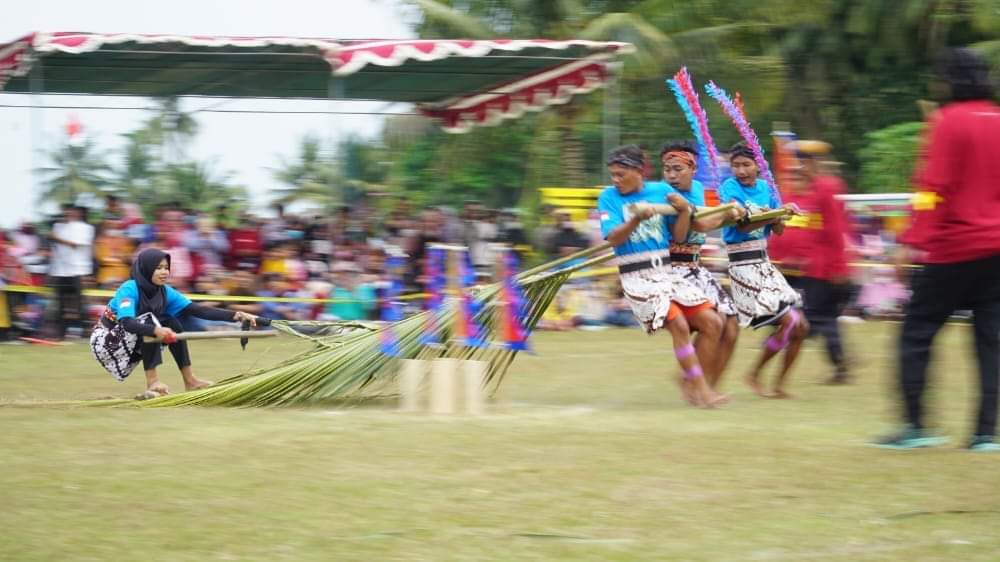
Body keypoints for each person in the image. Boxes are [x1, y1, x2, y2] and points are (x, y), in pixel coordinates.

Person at [876, 48, 1000, 451]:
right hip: (996, 249)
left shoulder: (947, 121)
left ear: (950, 79)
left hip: (953, 248)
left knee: (917, 333)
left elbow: (932, 190)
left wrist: (910, 243)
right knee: (989, 341)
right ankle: (985, 434)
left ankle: (916, 426)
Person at [598, 144, 725, 407]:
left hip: (667, 274)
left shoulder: (661, 191)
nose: (615, 180)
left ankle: (692, 384)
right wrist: (635, 219)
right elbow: (613, 238)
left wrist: (684, 211)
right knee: (678, 325)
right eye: (613, 174)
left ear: (638, 171)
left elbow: (679, 235)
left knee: (714, 323)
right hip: (637, 277)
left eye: (621, 174)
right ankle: (703, 392)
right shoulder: (608, 197)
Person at [90, 248, 260, 397]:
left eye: (166, 268)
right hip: (106, 342)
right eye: (158, 268)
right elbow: (127, 323)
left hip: (130, 340)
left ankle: (190, 381)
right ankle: (153, 383)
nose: (164, 272)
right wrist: (156, 331)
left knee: (173, 323)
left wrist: (237, 315)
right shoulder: (129, 288)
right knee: (152, 323)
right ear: (146, 268)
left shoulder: (165, 292)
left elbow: (199, 310)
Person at [718, 143, 809, 398]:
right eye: (735, 165)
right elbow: (743, 225)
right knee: (792, 321)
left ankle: (778, 385)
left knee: (801, 328)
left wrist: (783, 214)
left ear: (758, 165)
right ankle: (755, 375)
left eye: (746, 164)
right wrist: (773, 214)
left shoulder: (766, 188)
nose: (741, 170)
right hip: (743, 266)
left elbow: (778, 231)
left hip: (765, 264)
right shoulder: (728, 188)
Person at [768, 140, 854, 384]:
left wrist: (839, 266)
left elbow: (836, 229)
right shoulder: (811, 189)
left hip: (825, 267)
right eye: (799, 162)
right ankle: (841, 362)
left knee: (820, 317)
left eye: (803, 162)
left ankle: (840, 364)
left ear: (813, 162)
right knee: (823, 316)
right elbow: (811, 230)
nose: (800, 167)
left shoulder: (826, 188)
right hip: (813, 265)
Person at [661, 141, 743, 390]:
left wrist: (738, 214)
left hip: (696, 269)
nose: (672, 175)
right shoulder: (663, 195)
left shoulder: (696, 188)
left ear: (693, 169)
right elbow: (692, 230)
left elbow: (702, 219)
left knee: (731, 327)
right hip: (671, 271)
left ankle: (710, 385)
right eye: (667, 169)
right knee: (712, 323)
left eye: (678, 169)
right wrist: (728, 214)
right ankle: (696, 387)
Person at [49, 204, 95, 339]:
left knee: (79, 302)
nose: (68, 213)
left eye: (71, 211)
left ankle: (85, 331)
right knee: (61, 302)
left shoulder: (86, 228)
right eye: (66, 211)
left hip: (78, 269)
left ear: (78, 213)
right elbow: (55, 250)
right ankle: (61, 332)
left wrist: (56, 238)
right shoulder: (58, 226)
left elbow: (75, 244)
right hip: (60, 270)